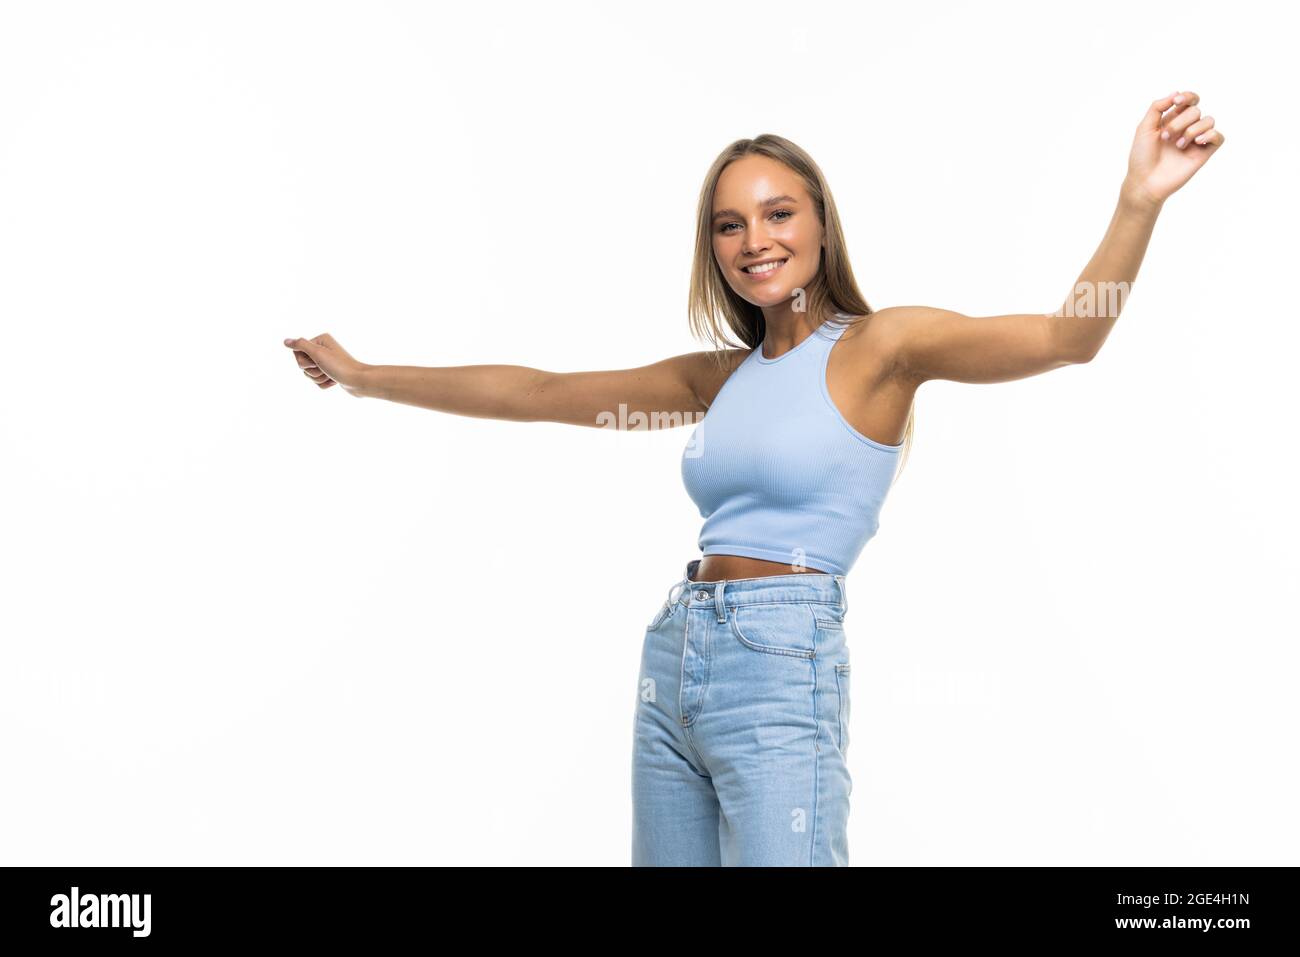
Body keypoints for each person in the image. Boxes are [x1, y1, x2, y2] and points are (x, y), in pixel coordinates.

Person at [282, 91, 1224, 866]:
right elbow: (541, 392)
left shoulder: (881, 349)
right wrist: (368, 379)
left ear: (820, 223)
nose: (755, 239)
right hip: (674, 662)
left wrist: (1138, 201)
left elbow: (1071, 337)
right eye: (730, 224)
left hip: (782, 661)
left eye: (779, 213)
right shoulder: (719, 381)